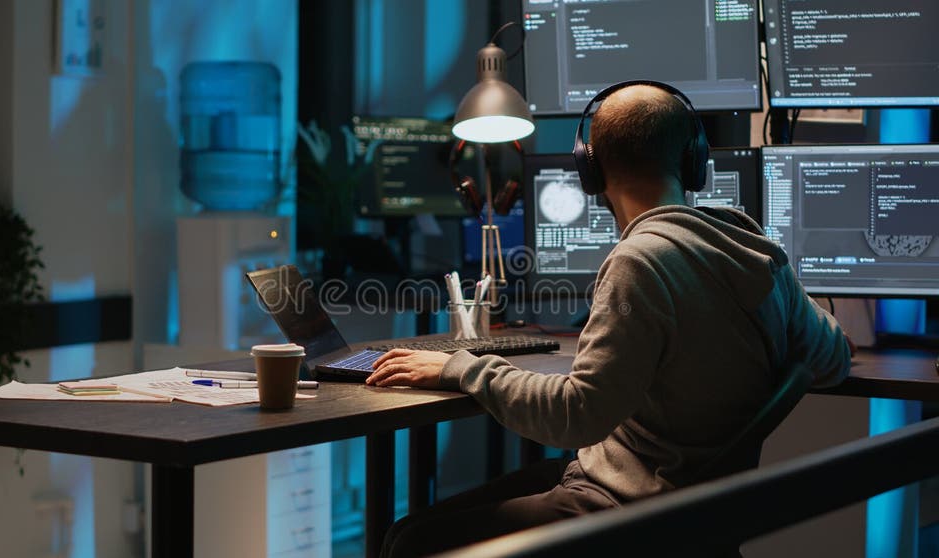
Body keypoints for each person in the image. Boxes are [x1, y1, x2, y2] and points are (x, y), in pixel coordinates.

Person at [366, 83, 853, 557]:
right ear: (693, 162)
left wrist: (463, 368)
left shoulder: (638, 262)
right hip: (694, 507)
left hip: (628, 505)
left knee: (409, 541)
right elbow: (833, 358)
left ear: (591, 170)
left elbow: (577, 415)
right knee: (421, 526)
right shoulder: (752, 248)